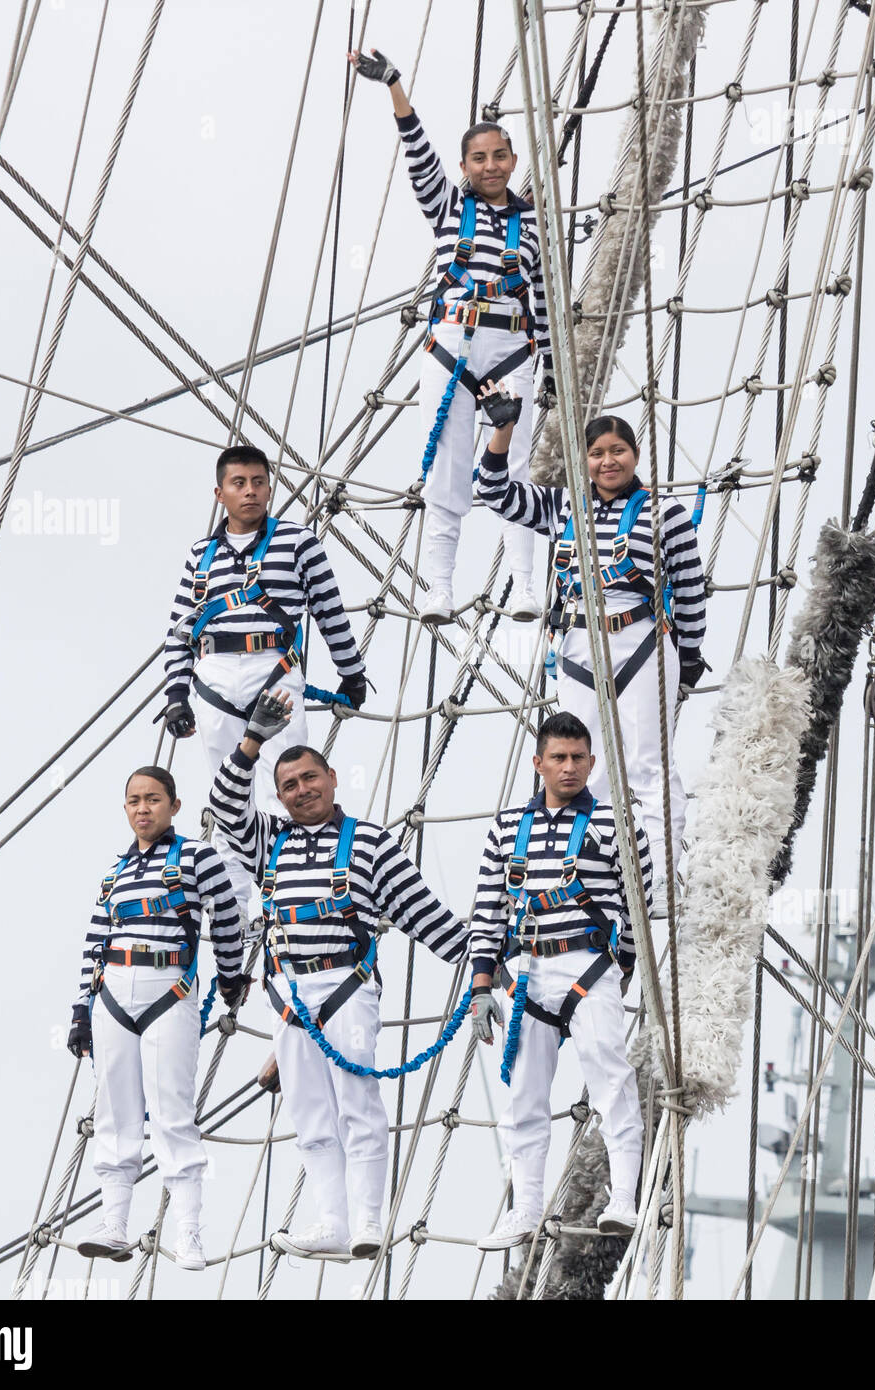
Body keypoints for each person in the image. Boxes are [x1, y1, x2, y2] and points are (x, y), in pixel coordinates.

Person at [209, 688, 468, 1259]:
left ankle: (369, 1222)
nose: (302, 791)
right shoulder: (269, 843)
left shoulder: (372, 843)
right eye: (289, 786)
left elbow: (426, 916)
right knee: (311, 1116)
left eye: (309, 779)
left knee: (359, 1104)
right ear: (279, 796)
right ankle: (333, 1221)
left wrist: (482, 968)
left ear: (331, 778)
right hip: (287, 996)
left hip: (346, 986)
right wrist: (251, 742)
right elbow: (226, 806)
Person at [348, 46, 552, 625]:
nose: (489, 166)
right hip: (450, 346)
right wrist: (393, 86)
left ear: (513, 160)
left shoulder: (534, 223)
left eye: (498, 156)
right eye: (478, 159)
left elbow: (539, 295)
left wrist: (550, 371)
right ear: (465, 167)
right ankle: (439, 587)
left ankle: (523, 585)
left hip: (512, 349)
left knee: (512, 466)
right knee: (446, 463)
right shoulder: (447, 209)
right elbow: (418, 157)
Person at [476, 392, 707, 891]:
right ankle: (603, 877)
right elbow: (494, 492)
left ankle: (662, 877)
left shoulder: (666, 515)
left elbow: (689, 588)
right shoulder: (562, 507)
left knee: (650, 765)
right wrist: (502, 432)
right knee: (587, 766)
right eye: (597, 452)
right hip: (579, 646)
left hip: (642, 642)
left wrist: (688, 658)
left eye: (618, 450)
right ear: (584, 460)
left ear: (635, 456)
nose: (608, 461)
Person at [157, 444, 368, 926]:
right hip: (213, 677)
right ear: (220, 493)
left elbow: (330, 612)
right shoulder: (200, 556)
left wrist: (351, 672)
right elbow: (178, 631)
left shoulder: (299, 543)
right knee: (228, 798)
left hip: (273, 668)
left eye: (258, 482)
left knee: (284, 786)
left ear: (270, 487)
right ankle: (234, 908)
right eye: (238, 483)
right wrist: (175, 695)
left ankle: (287, 893)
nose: (249, 492)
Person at [466, 712, 652, 1250]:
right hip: (527, 973)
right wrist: (481, 986)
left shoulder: (617, 825)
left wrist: (622, 967)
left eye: (578, 758)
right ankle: (523, 1209)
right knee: (523, 1097)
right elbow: (487, 911)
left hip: (589, 968)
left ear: (592, 762)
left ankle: (623, 1197)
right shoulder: (505, 829)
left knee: (611, 1080)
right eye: (558, 758)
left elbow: (639, 905)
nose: (568, 768)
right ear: (539, 763)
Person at [67, 767, 248, 1272]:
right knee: (114, 1113)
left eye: (152, 799)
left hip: (169, 989)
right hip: (113, 995)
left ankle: (187, 1231)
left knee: (172, 1112)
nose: (142, 808)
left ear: (174, 804)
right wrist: (81, 1007)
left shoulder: (197, 857)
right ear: (124, 809)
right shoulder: (114, 874)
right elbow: (95, 941)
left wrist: (231, 976)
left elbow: (228, 917)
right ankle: (115, 1224)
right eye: (133, 801)